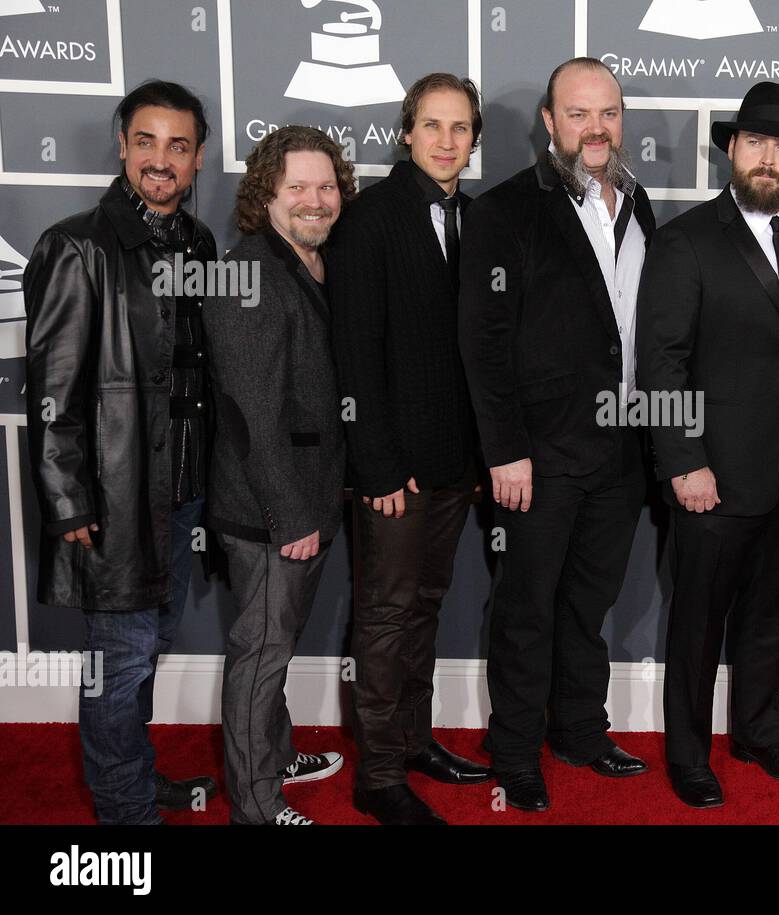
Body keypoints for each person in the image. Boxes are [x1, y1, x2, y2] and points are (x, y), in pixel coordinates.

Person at [637, 81, 779, 809]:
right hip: (713, 478)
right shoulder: (686, 239)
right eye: (755, 142)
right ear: (732, 148)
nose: (768, 158)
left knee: (773, 616)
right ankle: (689, 755)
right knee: (698, 625)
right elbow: (659, 362)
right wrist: (683, 460)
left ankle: (761, 731)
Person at [459, 57, 655, 811]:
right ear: (549, 122)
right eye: (578, 114)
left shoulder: (637, 206)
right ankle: (514, 750)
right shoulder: (506, 210)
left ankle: (579, 726)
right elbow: (483, 339)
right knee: (526, 608)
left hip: (619, 451)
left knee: (587, 604)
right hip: (537, 456)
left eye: (607, 113)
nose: (595, 128)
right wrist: (505, 449)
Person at [24, 79, 218, 824]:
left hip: (182, 495)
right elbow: (54, 388)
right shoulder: (75, 245)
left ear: (199, 159)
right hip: (113, 500)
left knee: (147, 654)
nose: (160, 161)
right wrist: (67, 500)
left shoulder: (197, 244)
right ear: (122, 147)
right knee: (118, 664)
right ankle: (125, 816)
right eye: (146, 142)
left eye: (178, 146)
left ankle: (130, 777)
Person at [329, 73, 491, 826]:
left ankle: (415, 739)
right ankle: (379, 773)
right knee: (386, 615)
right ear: (406, 132)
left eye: (460, 128)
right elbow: (355, 353)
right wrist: (377, 465)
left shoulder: (478, 219)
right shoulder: (370, 219)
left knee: (423, 607)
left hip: (457, 465)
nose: (447, 141)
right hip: (396, 469)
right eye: (432, 126)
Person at [205, 126, 356, 825]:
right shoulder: (251, 272)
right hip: (272, 513)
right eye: (296, 186)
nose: (314, 200)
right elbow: (249, 412)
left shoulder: (313, 263)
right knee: (260, 657)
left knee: (275, 645)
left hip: (309, 500)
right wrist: (291, 515)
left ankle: (275, 753)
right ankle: (257, 807)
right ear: (266, 193)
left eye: (325, 186)